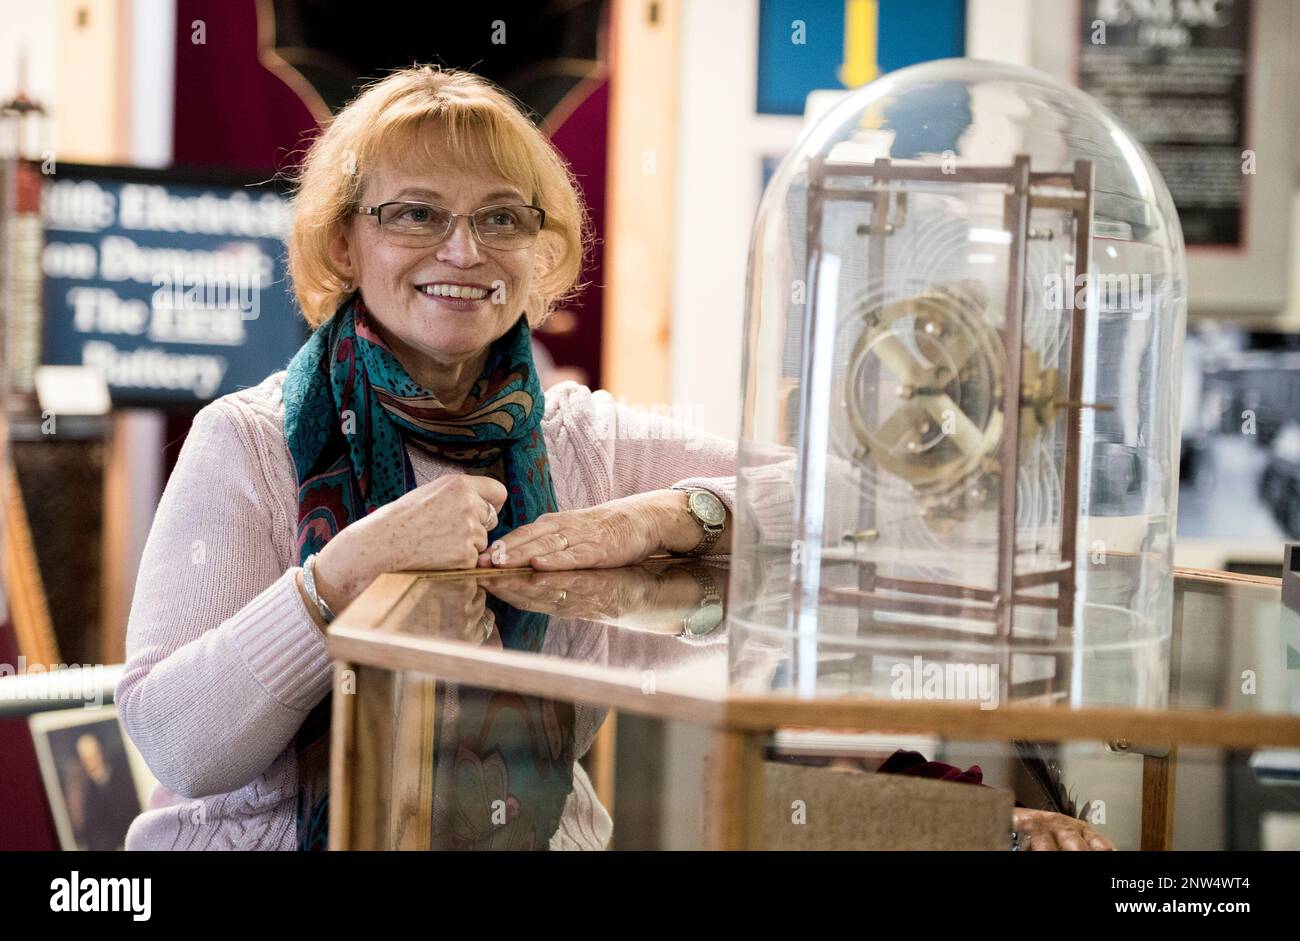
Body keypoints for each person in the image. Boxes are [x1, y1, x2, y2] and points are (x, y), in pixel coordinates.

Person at [115, 66, 736, 850]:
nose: (464, 249)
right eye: (416, 213)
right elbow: (179, 746)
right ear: (344, 242)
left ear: (539, 250)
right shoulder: (246, 439)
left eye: (502, 218)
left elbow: (836, 498)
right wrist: (341, 578)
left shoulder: (584, 439)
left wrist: (665, 517)